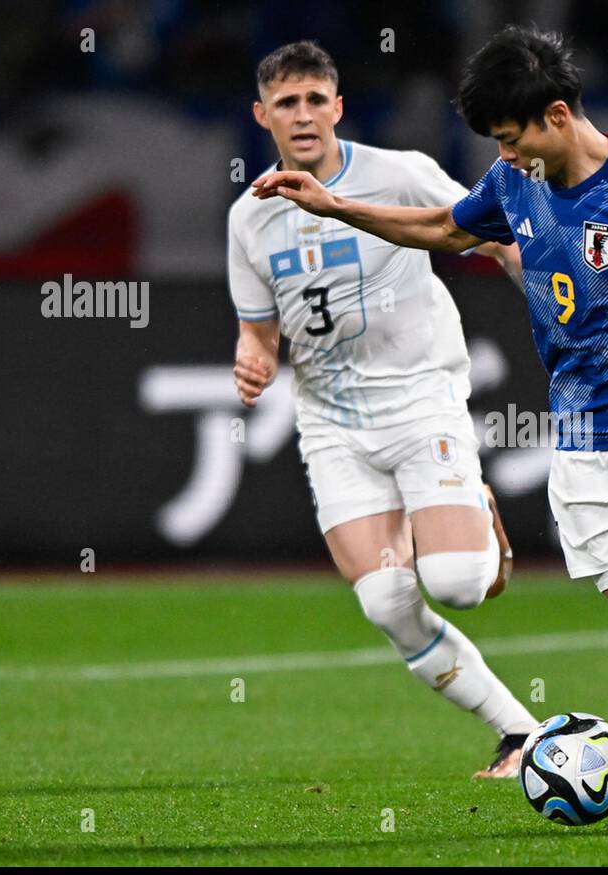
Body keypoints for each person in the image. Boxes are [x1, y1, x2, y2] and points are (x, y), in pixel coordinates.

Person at [251, 26, 608, 830]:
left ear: (557, 115)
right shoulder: (515, 181)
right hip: (586, 444)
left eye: (512, 139)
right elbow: (446, 230)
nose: (507, 156)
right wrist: (336, 206)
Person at [229, 40, 538, 779]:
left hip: (420, 398)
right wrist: (254, 357)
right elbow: (258, 326)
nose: (301, 115)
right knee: (386, 605)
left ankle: (473, 512)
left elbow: (486, 235)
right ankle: (520, 732)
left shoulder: (397, 174)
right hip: (332, 424)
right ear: (261, 114)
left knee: (460, 585)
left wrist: (557, 303)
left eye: (314, 99)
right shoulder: (249, 217)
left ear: (337, 106)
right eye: (286, 103)